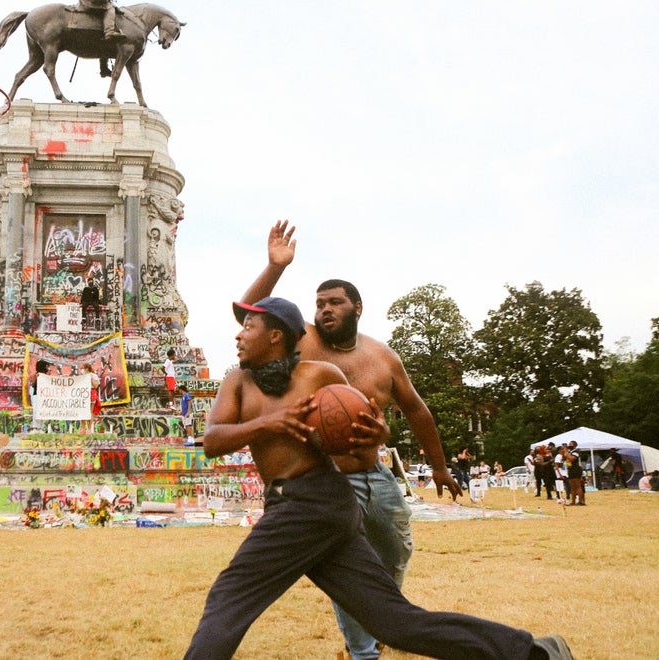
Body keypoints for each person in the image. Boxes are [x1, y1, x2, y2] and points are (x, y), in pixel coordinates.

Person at [184, 297, 572, 660]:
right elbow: (214, 441)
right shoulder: (238, 380)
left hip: (313, 499)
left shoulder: (321, 375)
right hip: (309, 508)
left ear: (276, 336)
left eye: (248, 326)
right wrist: (271, 422)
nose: (238, 334)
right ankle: (535, 652)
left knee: (228, 598)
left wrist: (377, 434)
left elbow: (365, 435)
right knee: (392, 621)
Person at [241, 221, 463, 660]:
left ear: (357, 307)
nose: (324, 309)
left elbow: (417, 410)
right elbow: (250, 309)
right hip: (329, 481)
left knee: (396, 555)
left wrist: (439, 466)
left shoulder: (384, 357)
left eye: (334, 303)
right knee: (352, 570)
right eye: (319, 303)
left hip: (376, 475)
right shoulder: (301, 343)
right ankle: (363, 651)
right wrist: (274, 266)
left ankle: (377, 617)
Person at [81, 363, 101, 433]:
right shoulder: (83, 375)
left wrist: (91, 379)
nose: (83, 370)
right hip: (83, 393)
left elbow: (96, 386)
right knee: (82, 410)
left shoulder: (94, 376)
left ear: (86, 368)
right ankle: (83, 428)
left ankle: (89, 428)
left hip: (91, 392)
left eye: (84, 368)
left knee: (90, 411)